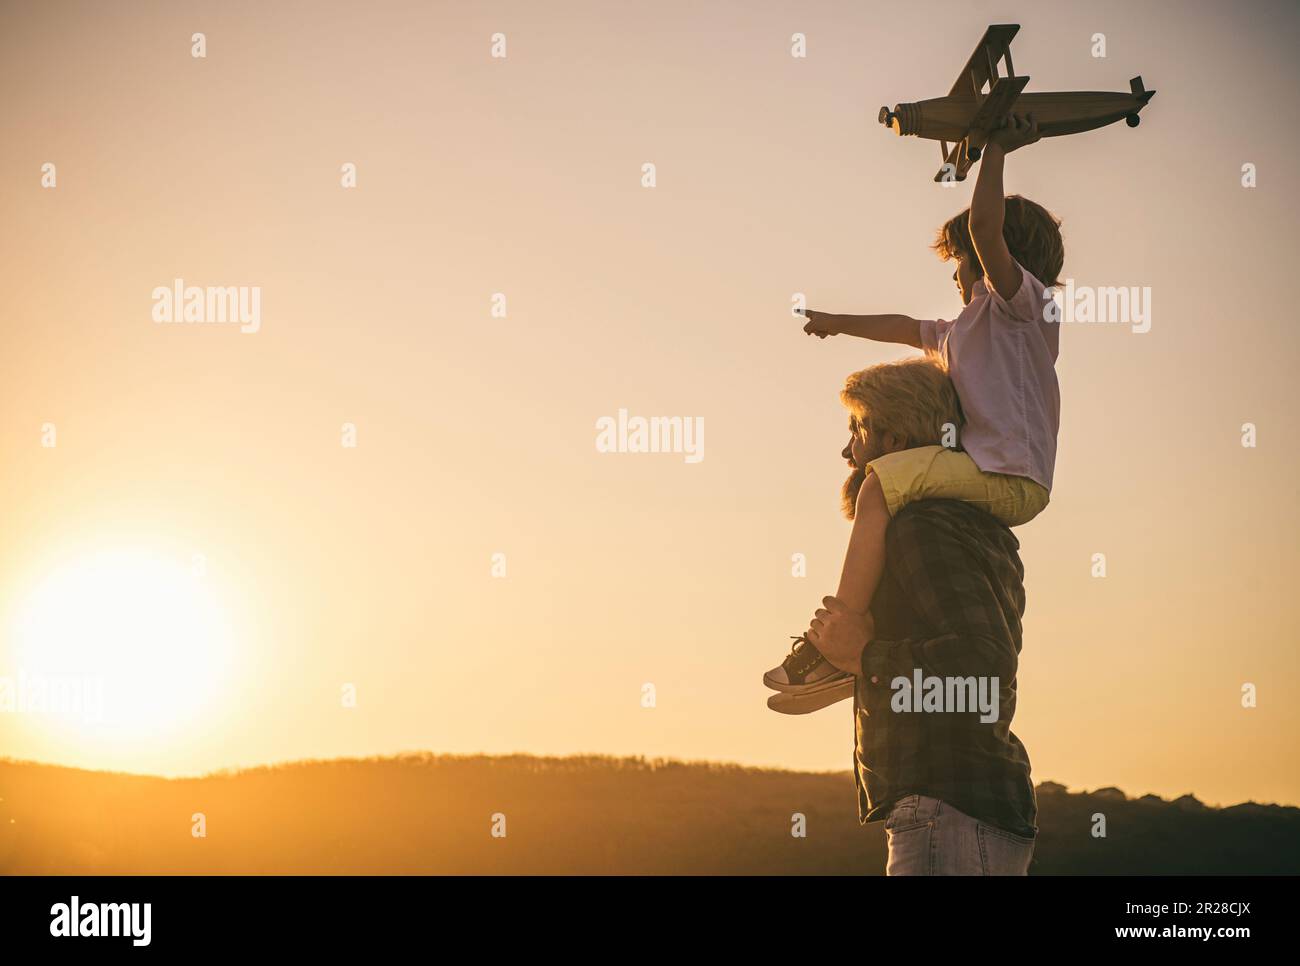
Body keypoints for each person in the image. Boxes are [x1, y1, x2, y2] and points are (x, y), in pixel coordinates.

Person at [763, 113, 1062, 710]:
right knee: (887, 488)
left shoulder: (1021, 307)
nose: (955, 270)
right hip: (993, 474)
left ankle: (837, 641)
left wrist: (996, 147)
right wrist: (836, 324)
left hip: (1012, 477)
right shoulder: (960, 330)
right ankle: (859, 628)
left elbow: (983, 225)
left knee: (878, 486)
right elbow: (903, 326)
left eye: (962, 258)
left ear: (992, 257)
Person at [783, 357, 1039, 875]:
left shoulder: (922, 528)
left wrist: (865, 656)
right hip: (960, 809)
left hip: (947, 809)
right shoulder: (966, 524)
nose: (846, 450)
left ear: (895, 439)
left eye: (858, 429)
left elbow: (985, 664)